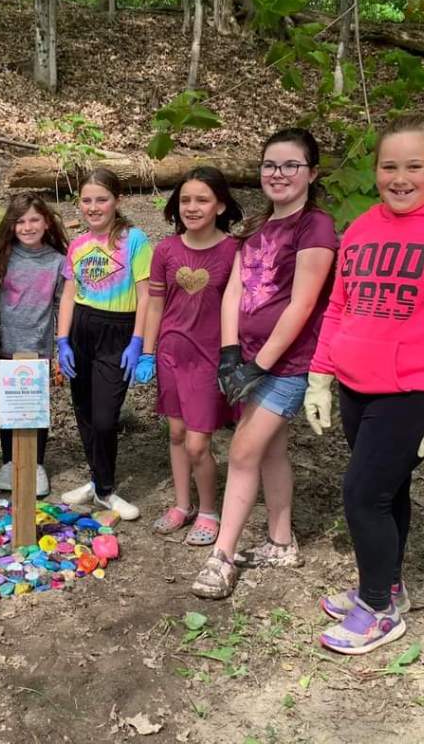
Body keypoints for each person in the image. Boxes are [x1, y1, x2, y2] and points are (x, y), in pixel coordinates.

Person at [305, 114, 424, 654]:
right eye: (389, 165)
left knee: (362, 495)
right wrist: (320, 375)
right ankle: (388, 585)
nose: (400, 177)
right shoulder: (364, 227)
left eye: (414, 165)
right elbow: (340, 306)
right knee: (388, 493)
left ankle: (379, 608)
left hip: (415, 392)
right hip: (356, 387)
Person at [192, 128, 338, 599]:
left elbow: (302, 303)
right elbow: (235, 290)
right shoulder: (256, 226)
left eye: (291, 165)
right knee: (271, 451)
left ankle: (222, 555)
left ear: (311, 173)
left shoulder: (314, 226)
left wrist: (261, 365)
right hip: (249, 359)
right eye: (270, 165)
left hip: (289, 364)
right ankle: (280, 541)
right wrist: (232, 354)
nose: (279, 174)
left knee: (242, 452)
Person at [135, 167, 243, 545]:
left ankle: (210, 510)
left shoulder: (234, 251)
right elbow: (154, 305)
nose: (192, 207)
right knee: (177, 433)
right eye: (185, 200)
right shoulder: (165, 250)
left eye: (202, 200)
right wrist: (146, 353)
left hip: (210, 358)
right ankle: (182, 505)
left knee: (199, 443)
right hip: (169, 355)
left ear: (220, 205)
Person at [57, 168, 153, 520]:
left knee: (104, 417)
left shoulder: (135, 240)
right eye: (86, 200)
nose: (93, 207)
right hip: (82, 327)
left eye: (102, 199)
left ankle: (107, 491)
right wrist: (62, 339)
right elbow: (68, 295)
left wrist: (139, 342)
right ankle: (97, 480)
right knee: (82, 410)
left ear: (117, 201)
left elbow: (146, 297)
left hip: (118, 331)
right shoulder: (78, 245)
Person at [0, 192, 69, 496]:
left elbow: (62, 306)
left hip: (38, 348)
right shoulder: (1, 257)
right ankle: (9, 464)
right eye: (20, 221)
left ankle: (36, 465)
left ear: (46, 222)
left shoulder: (57, 262)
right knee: (9, 407)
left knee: (35, 409)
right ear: (11, 225)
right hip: (7, 347)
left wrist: (59, 350)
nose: (27, 226)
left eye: (34, 219)